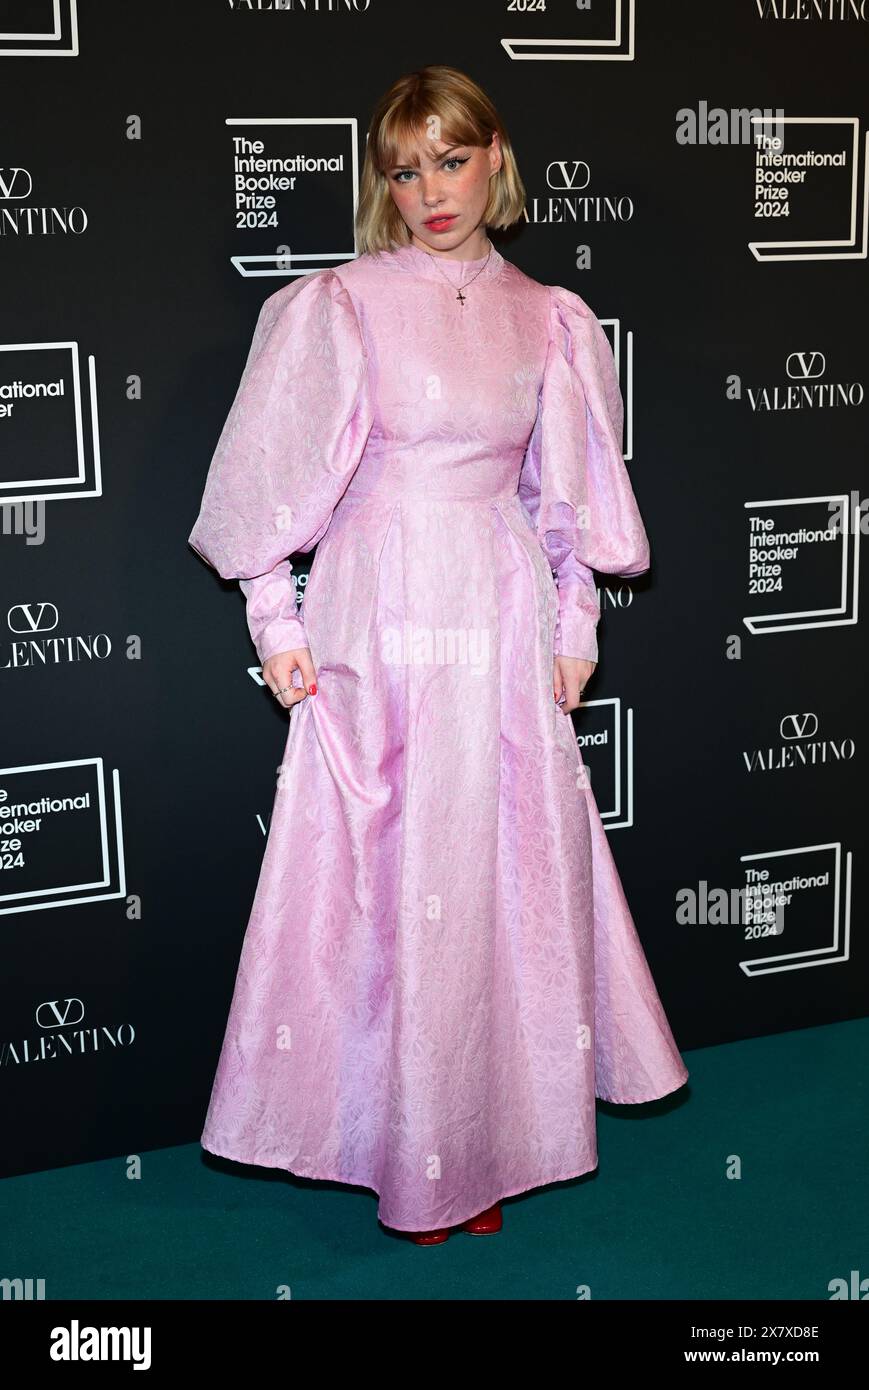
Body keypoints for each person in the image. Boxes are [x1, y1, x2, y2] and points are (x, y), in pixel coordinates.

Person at [188, 64, 689, 1245]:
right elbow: (268, 485)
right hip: (378, 616)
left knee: (492, 883)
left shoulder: (547, 316)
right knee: (376, 881)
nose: (431, 191)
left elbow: (558, 492)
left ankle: (479, 1147)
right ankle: (397, 1151)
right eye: (405, 169)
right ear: (384, 183)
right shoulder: (342, 304)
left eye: (450, 159)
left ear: (493, 157)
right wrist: (278, 623)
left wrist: (576, 622)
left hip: (497, 611)